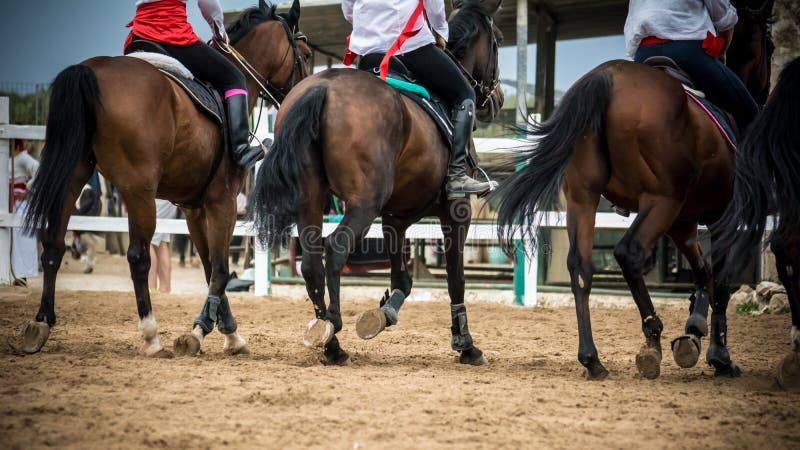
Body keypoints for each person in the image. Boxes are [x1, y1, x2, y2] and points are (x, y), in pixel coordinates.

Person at [342, 0, 496, 199]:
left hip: (367, 53)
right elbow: (434, 6)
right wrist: (440, 32)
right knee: (465, 93)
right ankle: (457, 175)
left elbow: (348, 9)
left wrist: (371, 25)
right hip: (410, 46)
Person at [124, 0, 263, 169]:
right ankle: (241, 150)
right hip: (169, 32)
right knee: (235, 79)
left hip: (139, 34)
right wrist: (219, 32)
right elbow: (208, 4)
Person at [625, 0, 759, 133]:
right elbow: (725, 18)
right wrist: (722, 50)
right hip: (688, 53)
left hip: (644, 56)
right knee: (751, 115)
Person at [8, 140, 39, 286]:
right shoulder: (4, 157)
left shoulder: (22, 158)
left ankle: (20, 276)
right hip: (5, 202)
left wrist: (28, 191)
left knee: (21, 241)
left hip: (18, 204)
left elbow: (39, 171)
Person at [70, 172, 103, 274]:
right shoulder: (80, 189)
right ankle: (87, 261)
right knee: (85, 238)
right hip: (84, 215)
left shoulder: (86, 190)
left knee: (87, 238)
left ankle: (89, 263)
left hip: (85, 216)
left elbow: (87, 207)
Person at [149, 199, 178, 294]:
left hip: (158, 198)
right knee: (161, 241)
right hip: (170, 200)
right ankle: (165, 289)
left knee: (146, 240)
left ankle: (151, 287)